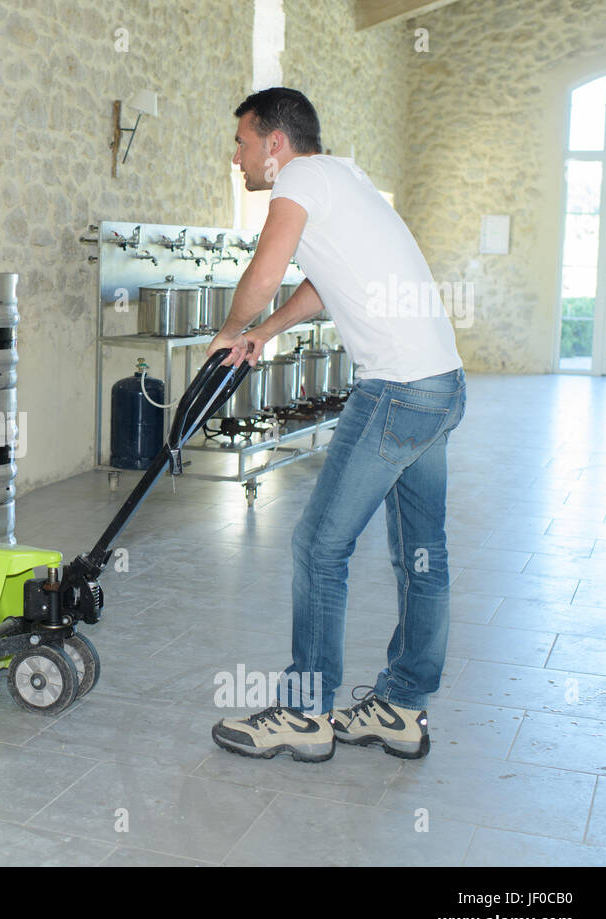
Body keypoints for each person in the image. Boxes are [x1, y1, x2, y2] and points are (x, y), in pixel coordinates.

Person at [205, 87, 465, 762]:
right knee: (421, 554)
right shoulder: (343, 179)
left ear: (275, 142)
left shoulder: (300, 179)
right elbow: (323, 283)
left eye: (241, 141)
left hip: (398, 390)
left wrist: (232, 327)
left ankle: (306, 712)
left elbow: (266, 270)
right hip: (439, 383)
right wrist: (263, 334)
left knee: (320, 547)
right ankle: (404, 707)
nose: (236, 156)